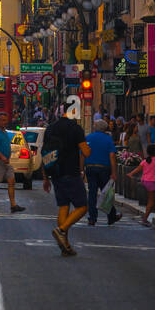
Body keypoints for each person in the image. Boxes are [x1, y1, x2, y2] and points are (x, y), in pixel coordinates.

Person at [42, 107, 89, 255]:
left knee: (63, 206)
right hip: (71, 172)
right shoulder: (75, 129)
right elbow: (86, 152)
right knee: (82, 206)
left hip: (55, 173)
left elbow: (44, 153)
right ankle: (61, 230)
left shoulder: (50, 129)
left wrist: (45, 178)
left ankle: (65, 244)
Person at [0, 112, 25, 215]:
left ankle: (13, 205)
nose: (4, 122)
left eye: (5, 120)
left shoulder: (5, 132)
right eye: (2, 120)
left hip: (6, 162)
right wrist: (2, 156)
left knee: (12, 181)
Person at [84, 117, 121, 226]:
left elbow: (82, 153)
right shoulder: (108, 139)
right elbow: (112, 155)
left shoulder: (88, 137)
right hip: (104, 169)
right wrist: (114, 172)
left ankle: (92, 218)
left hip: (90, 168)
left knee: (92, 193)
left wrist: (81, 169)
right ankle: (111, 216)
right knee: (106, 193)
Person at [130, 143, 155, 224]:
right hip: (151, 182)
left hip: (144, 181)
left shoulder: (145, 160)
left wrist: (131, 173)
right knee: (151, 200)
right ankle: (145, 218)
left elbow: (138, 168)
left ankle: (153, 207)